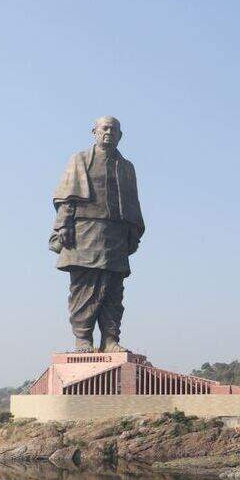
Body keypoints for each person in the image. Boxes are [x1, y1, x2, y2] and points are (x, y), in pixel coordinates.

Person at [49, 116, 145, 352]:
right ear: (94, 131)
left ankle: (110, 339)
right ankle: (83, 337)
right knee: (84, 286)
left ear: (120, 136)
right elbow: (66, 198)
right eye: (105, 128)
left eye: (114, 129)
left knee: (114, 288)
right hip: (85, 231)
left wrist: (132, 232)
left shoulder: (126, 167)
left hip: (115, 234)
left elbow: (132, 204)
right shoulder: (79, 160)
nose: (109, 132)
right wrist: (63, 225)